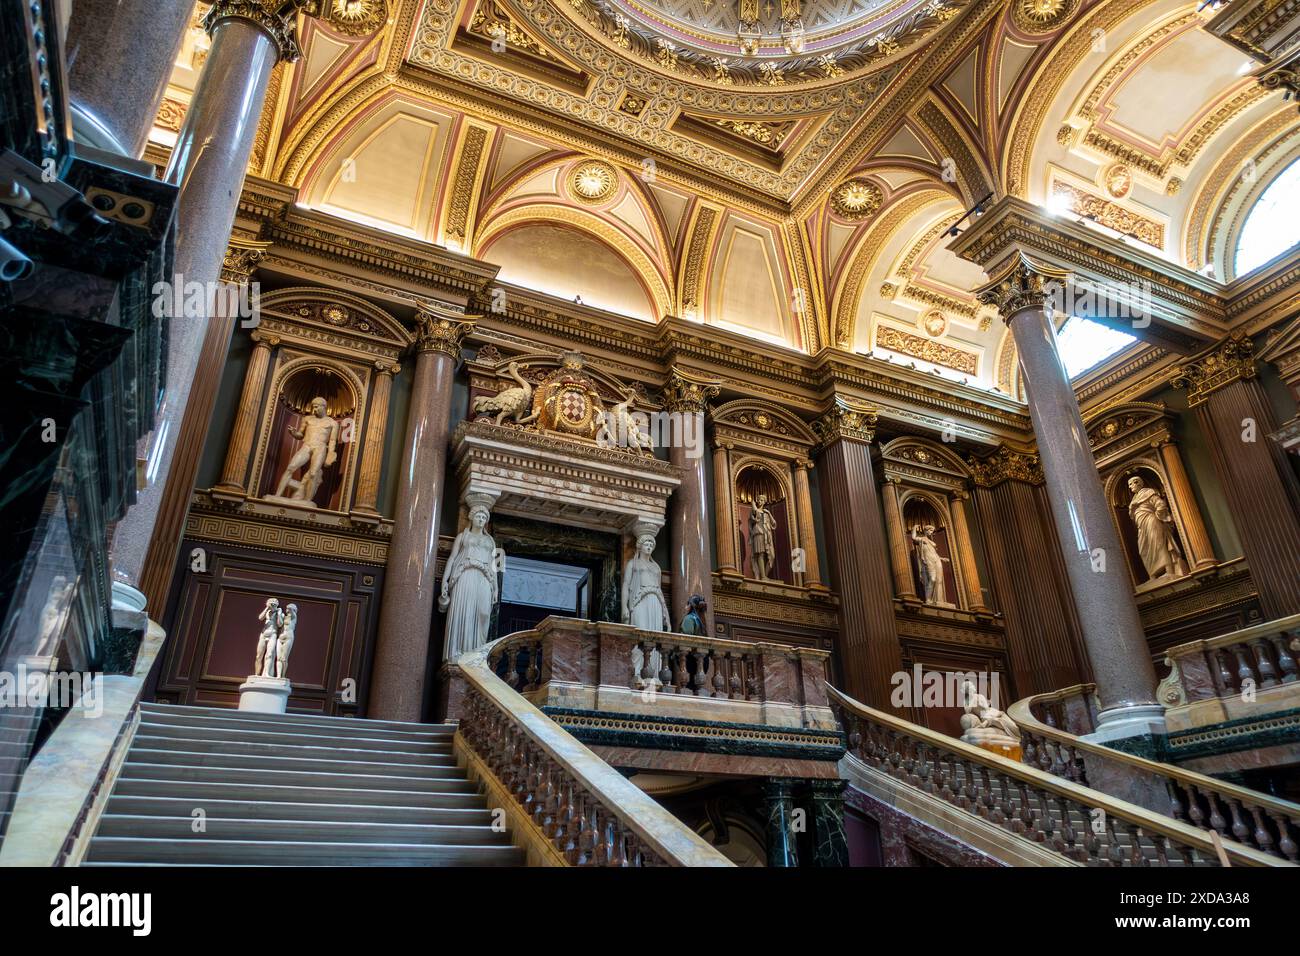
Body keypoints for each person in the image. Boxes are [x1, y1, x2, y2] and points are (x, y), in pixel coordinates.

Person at [440, 504, 503, 660]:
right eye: (478, 516)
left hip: (484, 578)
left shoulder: (491, 541)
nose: (481, 520)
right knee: (464, 611)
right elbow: (452, 558)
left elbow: (494, 566)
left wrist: (495, 589)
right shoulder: (463, 536)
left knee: (483, 613)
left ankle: (475, 655)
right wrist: (444, 582)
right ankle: (458, 653)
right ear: (472, 518)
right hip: (465, 575)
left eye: (484, 517)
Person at [1127, 475, 1187, 581]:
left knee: (1159, 545)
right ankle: (1152, 576)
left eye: (1132, 483)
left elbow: (1160, 504)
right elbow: (1133, 515)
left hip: (1151, 521)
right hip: (1142, 527)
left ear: (1139, 483)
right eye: (1129, 485)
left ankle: (1169, 571)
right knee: (1143, 550)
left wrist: (1158, 515)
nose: (1130, 487)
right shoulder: (1134, 500)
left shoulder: (1148, 492)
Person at [622, 533, 670, 631]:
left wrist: (666, 614)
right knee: (640, 628)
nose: (649, 547)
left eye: (651, 545)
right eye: (646, 544)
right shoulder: (633, 563)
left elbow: (659, 590)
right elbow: (626, 584)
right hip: (639, 600)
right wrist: (624, 607)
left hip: (655, 601)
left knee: (655, 632)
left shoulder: (656, 567)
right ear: (640, 546)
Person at [748, 494, 777, 580]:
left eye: (761, 500)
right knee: (760, 554)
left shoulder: (766, 512)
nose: (759, 501)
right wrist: (753, 504)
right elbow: (754, 515)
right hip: (758, 533)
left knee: (772, 556)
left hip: (767, 535)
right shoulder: (754, 511)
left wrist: (769, 513)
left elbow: (774, 523)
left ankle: (765, 575)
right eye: (758, 500)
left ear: (764, 501)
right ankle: (763, 576)